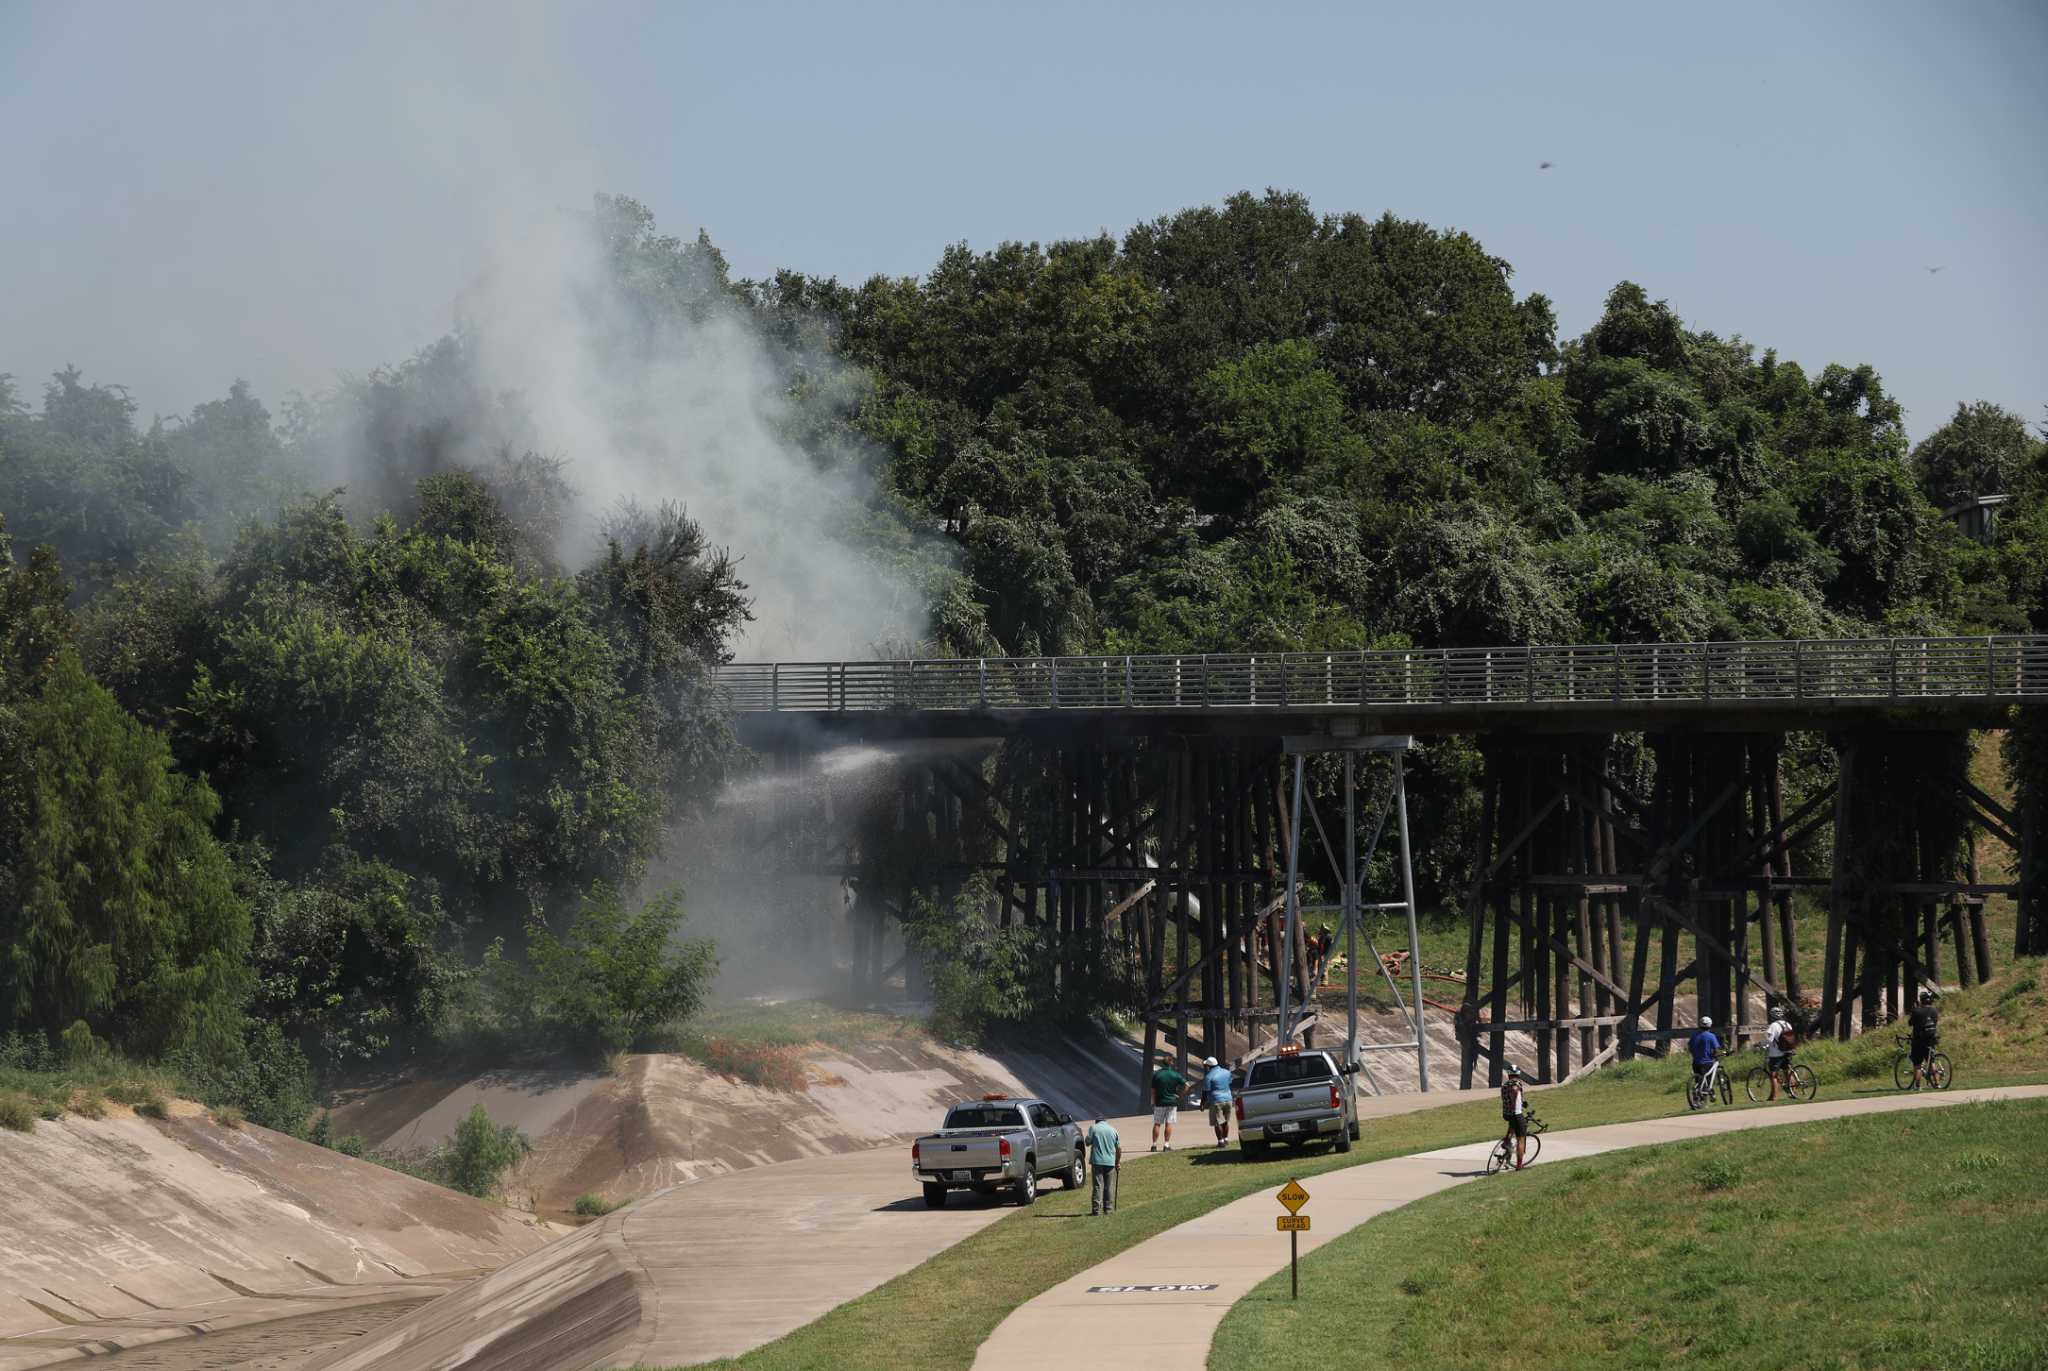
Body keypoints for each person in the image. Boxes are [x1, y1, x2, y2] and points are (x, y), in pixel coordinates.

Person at [1150, 1056, 1187, 1151]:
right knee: (1169, 1123)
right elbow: (1186, 1085)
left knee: (1157, 1123)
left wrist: (1153, 1101)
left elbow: (1153, 1091)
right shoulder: (1175, 1074)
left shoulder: (1157, 1074)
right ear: (1171, 1063)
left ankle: (1154, 1145)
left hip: (1159, 1102)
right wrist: (1180, 1095)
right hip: (1171, 1102)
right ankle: (1166, 1145)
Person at [1906, 989, 1941, 1089]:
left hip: (1918, 1041)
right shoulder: (1934, 1011)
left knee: (1917, 1064)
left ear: (1921, 1000)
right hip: (1931, 1040)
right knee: (1932, 1063)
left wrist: (1914, 1010)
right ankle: (1937, 1084)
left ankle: (1917, 1086)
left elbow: (1910, 1023)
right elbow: (1935, 1022)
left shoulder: (1916, 1011)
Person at [1085, 1115, 1121, 1214]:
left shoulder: (1093, 1128)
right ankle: (1108, 1209)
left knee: (1097, 1186)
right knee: (1108, 1186)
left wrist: (1087, 1138)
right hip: (1110, 1162)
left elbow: (1087, 1142)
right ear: (1105, 1121)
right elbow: (1118, 1149)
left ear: (1096, 1121)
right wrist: (1117, 1162)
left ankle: (1096, 1210)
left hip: (1097, 1162)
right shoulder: (1113, 1130)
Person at [1761, 1002, 1797, 1101]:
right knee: (1788, 1072)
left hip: (1776, 1054)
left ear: (1771, 1016)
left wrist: (1760, 1044)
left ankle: (1774, 1096)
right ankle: (1793, 1093)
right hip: (1788, 1051)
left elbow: (1769, 1040)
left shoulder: (1773, 1026)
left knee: (1773, 1075)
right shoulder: (1788, 1024)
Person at [1500, 1064, 1530, 1170]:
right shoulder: (1516, 1083)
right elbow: (1515, 1090)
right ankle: (1519, 1165)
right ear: (1518, 1074)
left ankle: (1507, 1141)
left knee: (1512, 1126)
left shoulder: (1504, 1085)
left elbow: (1512, 1096)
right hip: (1516, 1114)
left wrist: (1522, 1102)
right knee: (1521, 1138)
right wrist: (1514, 1103)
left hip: (1507, 1114)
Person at [1200, 1055, 1234, 1147]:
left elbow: (1205, 1091)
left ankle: (1221, 1141)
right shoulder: (1227, 1072)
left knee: (1217, 1122)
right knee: (1225, 1121)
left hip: (1216, 1100)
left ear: (1209, 1066)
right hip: (1228, 1099)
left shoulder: (1208, 1076)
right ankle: (1226, 1139)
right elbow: (1230, 1082)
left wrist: (1202, 1104)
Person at [1688, 1015, 1723, 1094]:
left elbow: (1690, 1047)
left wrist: (1694, 1054)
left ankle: (1697, 1101)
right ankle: (1706, 1096)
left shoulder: (1694, 1035)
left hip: (1696, 1063)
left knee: (1699, 1082)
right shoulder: (1711, 1036)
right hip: (1707, 1063)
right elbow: (1716, 1049)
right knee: (1707, 1081)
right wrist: (1718, 1054)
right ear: (1710, 1025)